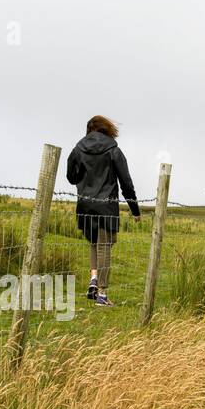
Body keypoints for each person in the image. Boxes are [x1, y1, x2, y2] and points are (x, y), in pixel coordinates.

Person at [66, 115, 140, 306]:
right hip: (106, 205)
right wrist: (135, 209)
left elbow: (71, 177)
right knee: (104, 246)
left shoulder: (78, 148)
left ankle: (93, 279)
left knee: (94, 243)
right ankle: (102, 294)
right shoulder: (113, 149)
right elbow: (126, 182)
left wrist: (85, 179)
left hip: (85, 204)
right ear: (107, 129)